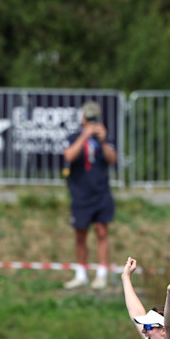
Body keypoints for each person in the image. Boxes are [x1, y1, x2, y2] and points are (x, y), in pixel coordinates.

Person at [62, 100, 118, 290]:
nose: (92, 123)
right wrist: (84, 136)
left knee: (102, 232)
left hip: (101, 192)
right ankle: (81, 274)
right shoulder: (73, 137)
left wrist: (102, 141)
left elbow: (112, 159)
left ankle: (101, 274)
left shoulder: (104, 138)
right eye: (89, 119)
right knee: (80, 234)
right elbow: (69, 156)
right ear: (83, 118)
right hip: (80, 193)